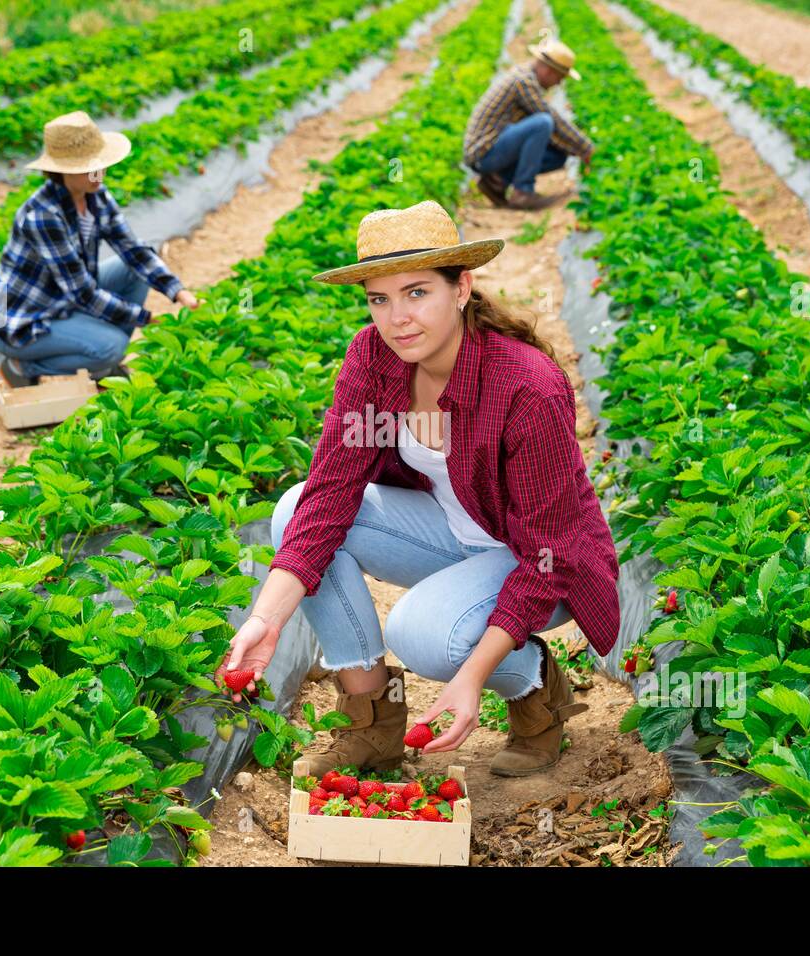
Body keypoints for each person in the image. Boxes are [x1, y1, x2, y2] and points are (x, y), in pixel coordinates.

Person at [218, 200, 621, 778]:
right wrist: (267, 620)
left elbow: (544, 558)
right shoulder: (373, 359)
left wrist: (471, 679)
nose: (397, 318)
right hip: (454, 535)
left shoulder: (526, 386)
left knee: (423, 635)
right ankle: (372, 721)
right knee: (295, 510)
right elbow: (331, 492)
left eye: (416, 293)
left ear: (462, 289)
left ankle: (534, 689)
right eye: (379, 299)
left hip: (544, 561)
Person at [0, 110, 202, 387]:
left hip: (64, 300)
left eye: (99, 163)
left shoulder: (96, 195)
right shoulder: (43, 216)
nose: (98, 172)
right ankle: (22, 366)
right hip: (23, 320)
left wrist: (178, 291)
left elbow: (132, 249)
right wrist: (146, 318)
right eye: (87, 167)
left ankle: (102, 363)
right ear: (62, 171)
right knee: (112, 347)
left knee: (130, 269)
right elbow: (83, 293)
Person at [462, 36, 595, 211]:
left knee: (558, 156)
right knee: (543, 123)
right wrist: (587, 149)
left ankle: (498, 182)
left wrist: (576, 149)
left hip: (494, 148)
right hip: (483, 153)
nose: (559, 83)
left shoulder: (525, 77)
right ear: (549, 71)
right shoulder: (523, 82)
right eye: (560, 77)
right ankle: (522, 193)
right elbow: (551, 119)